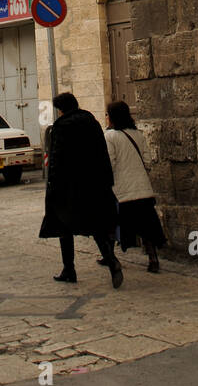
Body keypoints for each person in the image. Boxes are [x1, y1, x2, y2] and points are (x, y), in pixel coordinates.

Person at [39, 92, 124, 288]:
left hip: (68, 186)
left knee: (63, 226)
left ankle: (69, 269)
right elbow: (101, 152)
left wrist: (52, 186)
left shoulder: (61, 127)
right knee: (96, 225)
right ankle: (111, 261)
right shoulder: (91, 122)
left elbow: (57, 159)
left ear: (61, 109)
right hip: (94, 183)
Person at [103, 101, 166, 273]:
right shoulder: (138, 134)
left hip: (122, 191)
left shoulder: (109, 137)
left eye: (107, 114)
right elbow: (147, 161)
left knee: (111, 225)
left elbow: (110, 163)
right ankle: (153, 259)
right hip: (142, 188)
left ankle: (109, 256)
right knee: (147, 227)